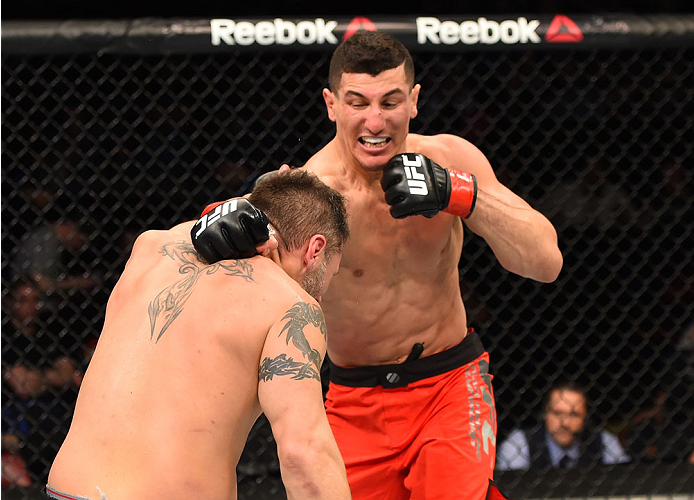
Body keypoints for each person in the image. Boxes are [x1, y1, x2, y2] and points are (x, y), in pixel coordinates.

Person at [191, 31, 563, 499]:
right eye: (357, 102)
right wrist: (211, 222)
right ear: (331, 104)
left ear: (414, 101)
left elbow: (545, 261)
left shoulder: (451, 159)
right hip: (354, 399)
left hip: (449, 384)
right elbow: (236, 224)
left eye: (390, 102)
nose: (374, 120)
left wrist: (459, 193)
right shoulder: (312, 193)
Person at [46, 170, 352, 500]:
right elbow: (303, 454)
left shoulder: (151, 246)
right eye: (330, 274)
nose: (321, 295)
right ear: (315, 249)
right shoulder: (293, 306)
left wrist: (252, 200)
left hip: (64, 488)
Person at [496, 381, 630, 470]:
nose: (565, 423)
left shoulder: (604, 442)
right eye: (557, 413)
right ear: (546, 413)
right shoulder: (520, 442)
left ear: (585, 417)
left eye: (574, 414)